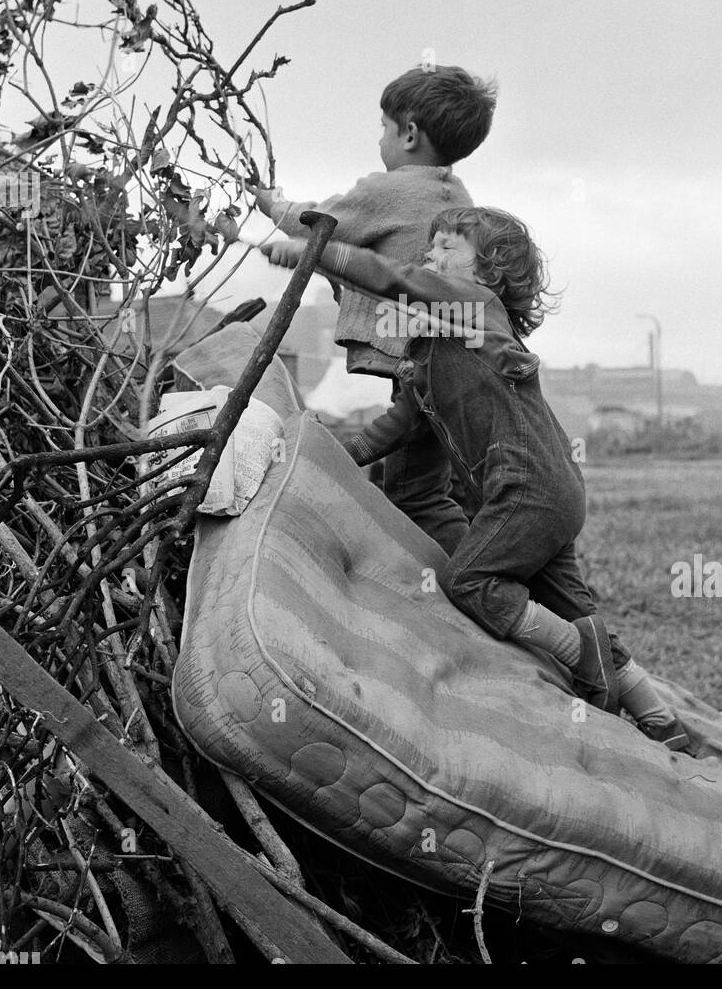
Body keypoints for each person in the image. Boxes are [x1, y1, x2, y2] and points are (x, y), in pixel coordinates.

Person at [259, 206, 694, 753]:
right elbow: (394, 429)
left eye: (447, 249)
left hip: (528, 488)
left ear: (488, 275)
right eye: (431, 246)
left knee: (468, 582)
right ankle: (662, 724)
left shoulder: (476, 309)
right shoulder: (427, 356)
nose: (431, 256)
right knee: (577, 611)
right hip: (546, 489)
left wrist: (314, 252)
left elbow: (392, 279)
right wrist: (327, 453)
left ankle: (580, 656)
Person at [253, 65, 493, 551]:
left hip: (415, 360)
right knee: (427, 483)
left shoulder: (390, 190)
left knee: (415, 494)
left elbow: (322, 226)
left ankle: (471, 586)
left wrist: (274, 207)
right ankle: (469, 578)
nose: (379, 139)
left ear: (408, 134)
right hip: (451, 360)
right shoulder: (457, 195)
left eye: (383, 127)